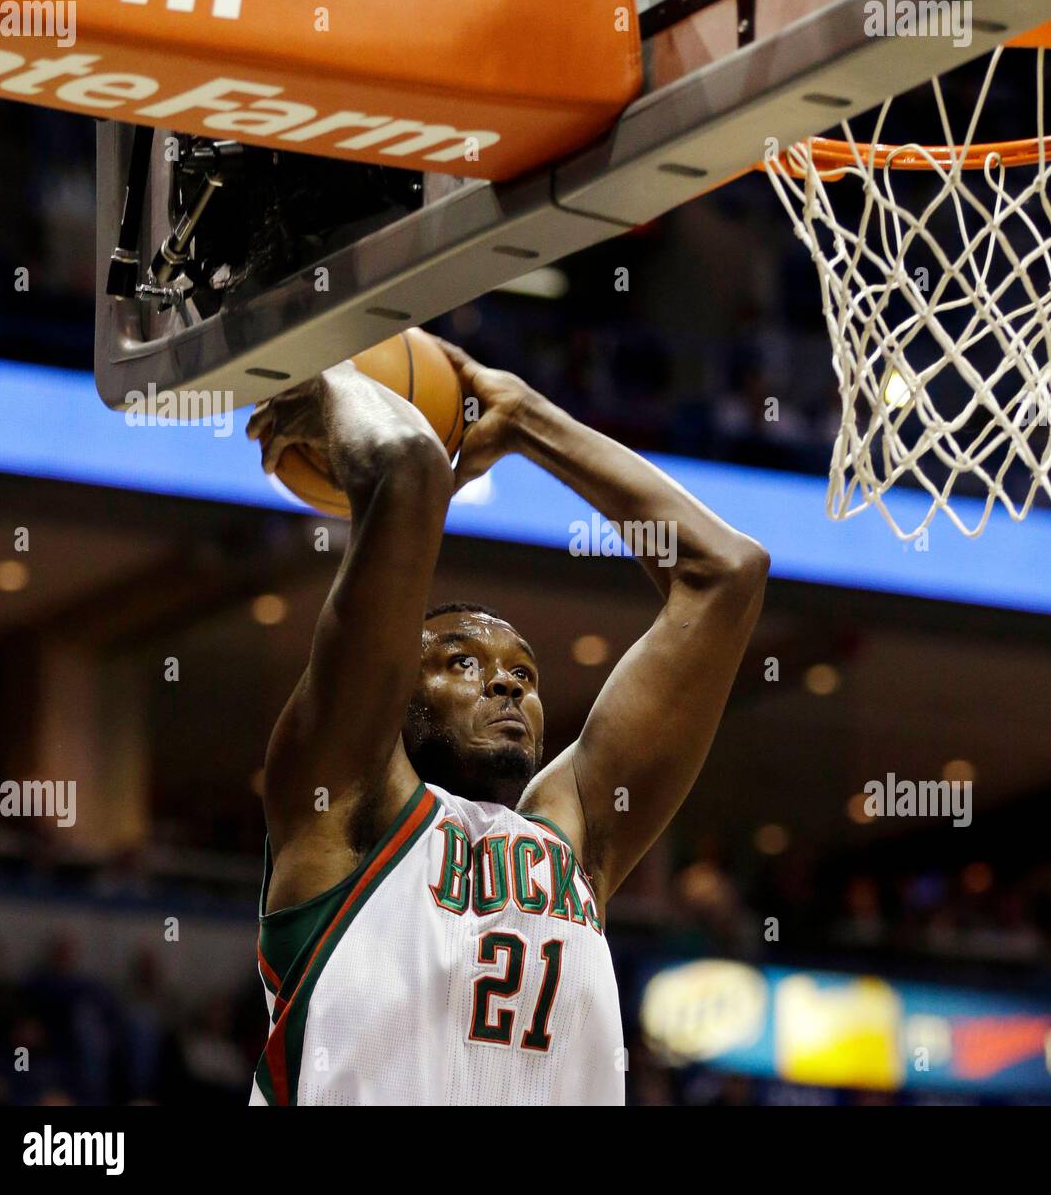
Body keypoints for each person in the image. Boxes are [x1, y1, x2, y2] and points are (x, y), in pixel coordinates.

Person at [244, 336, 768, 1105]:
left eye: (524, 674)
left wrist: (528, 418)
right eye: (460, 662)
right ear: (395, 689)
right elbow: (409, 468)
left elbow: (725, 572)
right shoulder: (340, 808)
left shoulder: (571, 837)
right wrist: (322, 372)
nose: (505, 686)